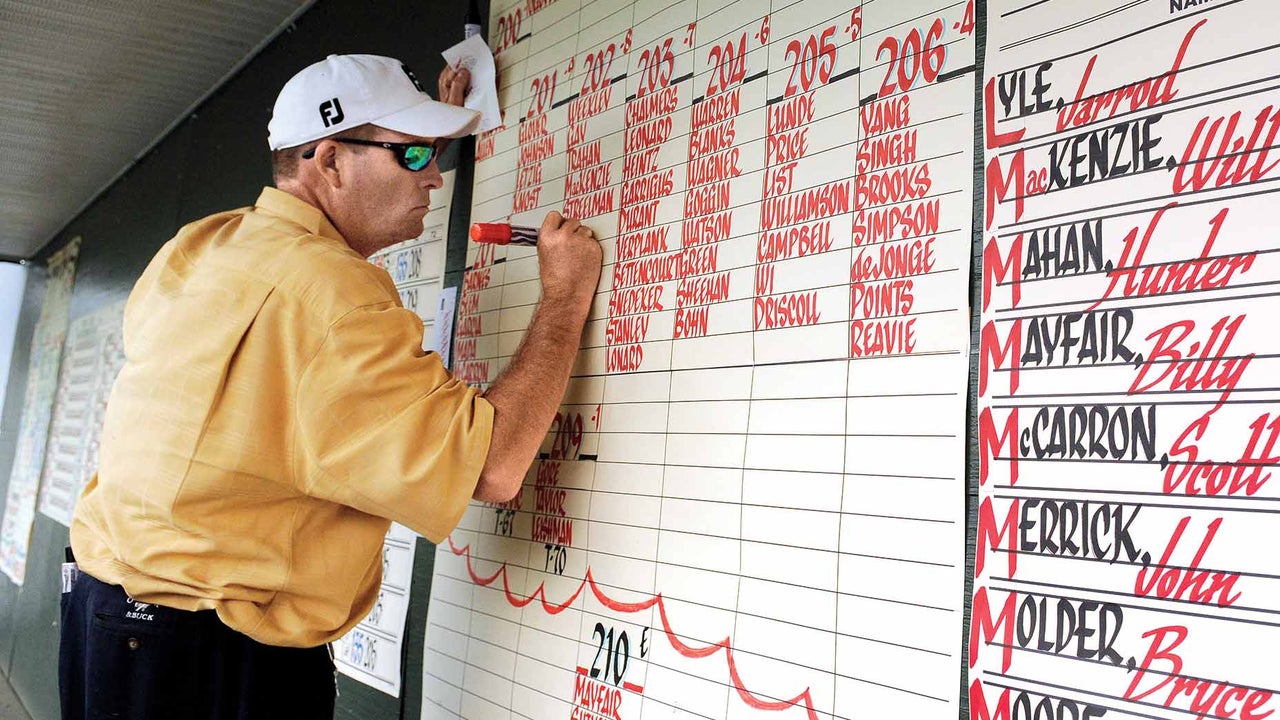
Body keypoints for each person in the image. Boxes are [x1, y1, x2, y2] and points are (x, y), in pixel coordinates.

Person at [59, 53, 602, 719]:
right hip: (205, 654)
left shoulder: (203, 244)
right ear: (328, 160)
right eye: (412, 156)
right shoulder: (333, 291)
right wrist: (565, 297)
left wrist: (422, 124)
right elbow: (493, 467)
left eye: (435, 153)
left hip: (106, 616)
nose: (433, 177)